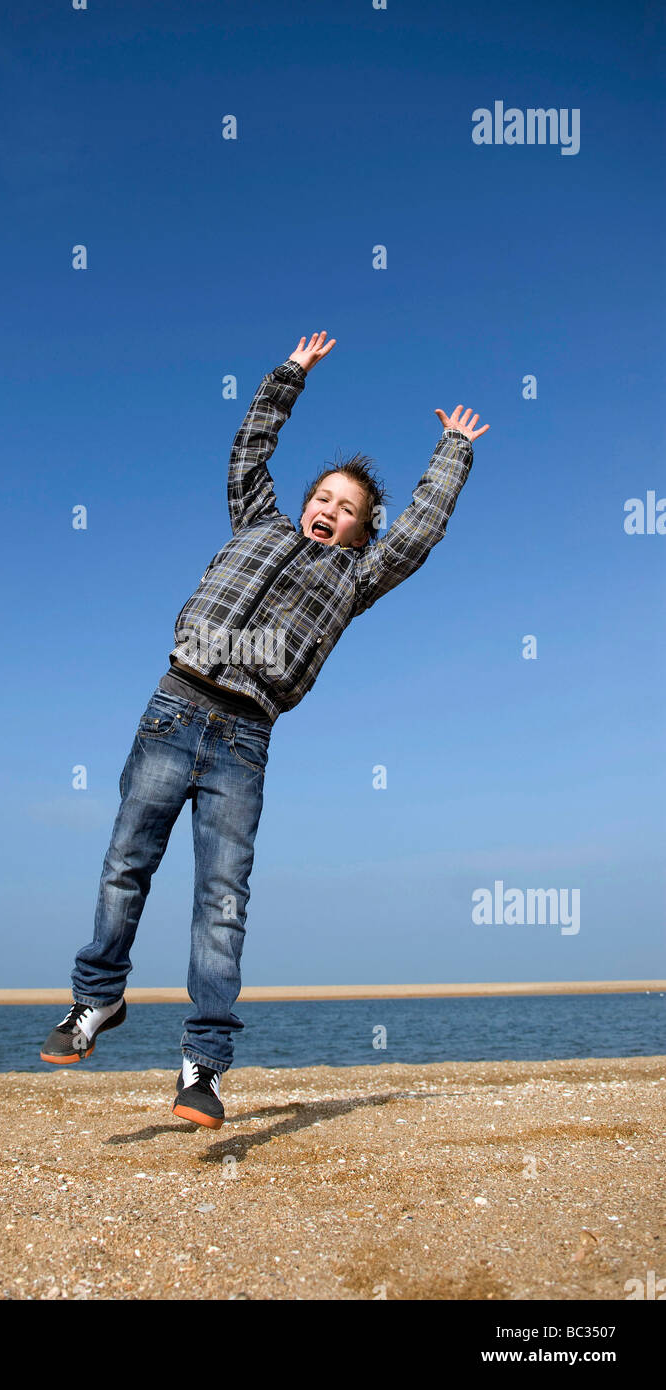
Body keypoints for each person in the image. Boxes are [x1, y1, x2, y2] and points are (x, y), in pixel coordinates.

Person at [40, 332, 489, 1128]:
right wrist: (290, 377)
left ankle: (202, 1069)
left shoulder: (357, 577)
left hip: (245, 739)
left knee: (222, 901)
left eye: (348, 510)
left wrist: (451, 452)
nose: (330, 511)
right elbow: (250, 445)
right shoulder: (257, 518)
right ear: (304, 502)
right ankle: (94, 1005)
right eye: (324, 498)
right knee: (125, 865)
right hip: (176, 704)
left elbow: (418, 534)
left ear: (360, 531)